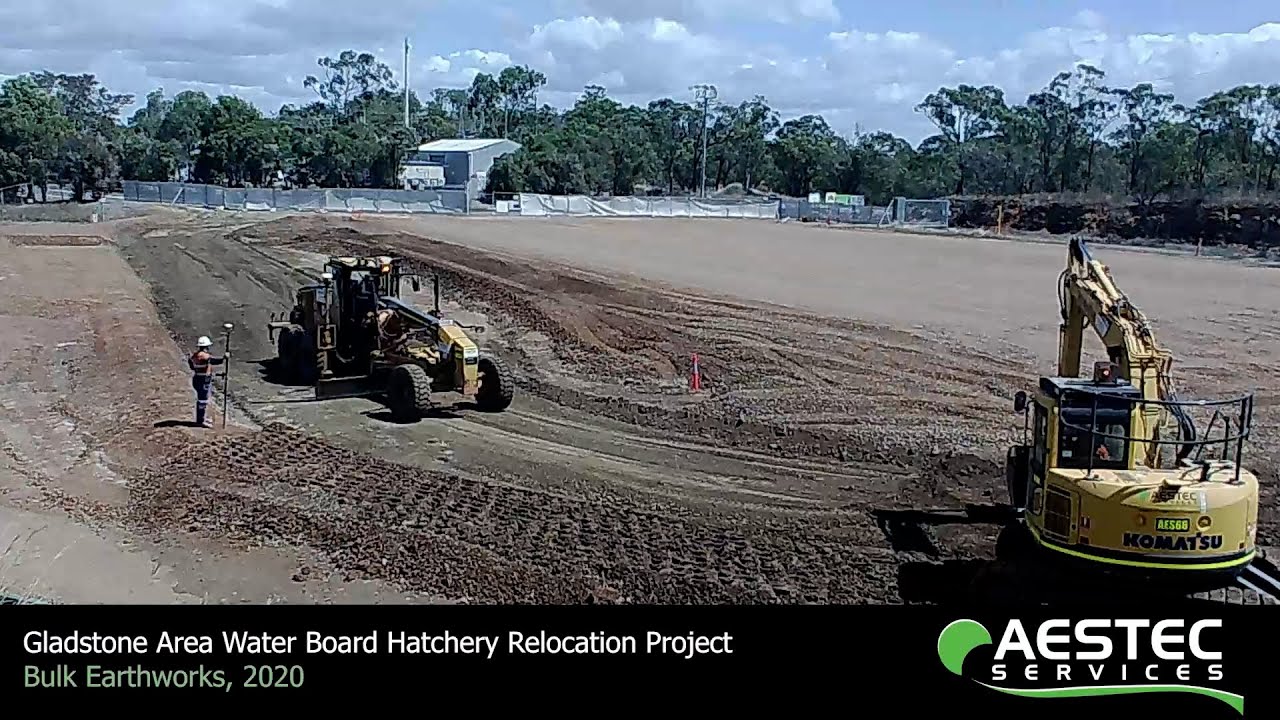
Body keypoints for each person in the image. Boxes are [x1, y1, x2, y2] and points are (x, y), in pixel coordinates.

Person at [188, 335, 228, 428]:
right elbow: (214, 361)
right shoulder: (204, 356)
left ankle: (202, 418)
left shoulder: (194, 356)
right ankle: (200, 421)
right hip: (203, 380)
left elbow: (191, 365)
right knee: (202, 401)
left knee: (202, 400)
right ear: (206, 347)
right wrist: (224, 358)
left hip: (197, 378)